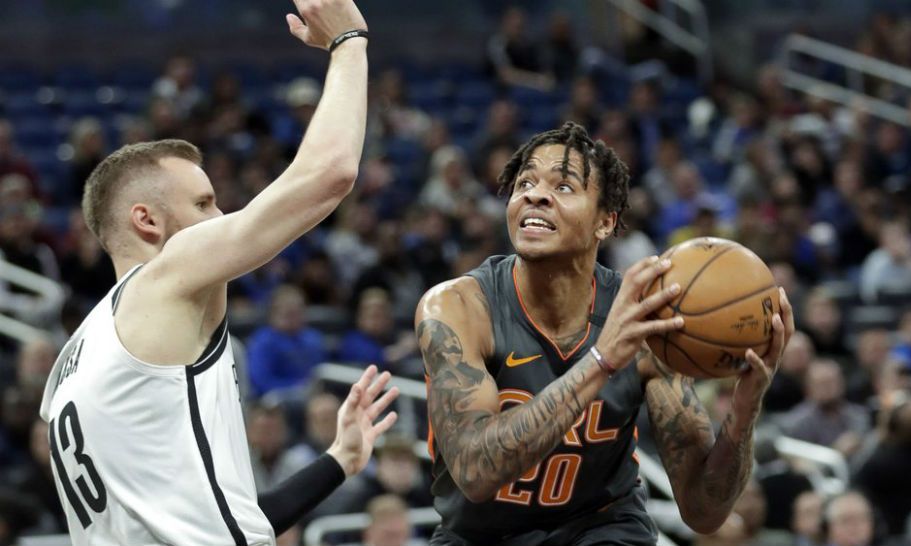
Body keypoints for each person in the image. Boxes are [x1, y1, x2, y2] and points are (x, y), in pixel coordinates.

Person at [38, 2, 400, 544]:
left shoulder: (71, 365)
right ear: (148, 220)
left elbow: (224, 522)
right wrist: (349, 41)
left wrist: (339, 460)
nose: (223, 218)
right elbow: (330, 174)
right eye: (206, 203)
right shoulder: (165, 278)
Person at [415, 122, 794, 545]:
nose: (534, 195)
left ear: (605, 222)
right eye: (525, 182)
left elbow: (703, 513)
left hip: (599, 527)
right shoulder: (457, 307)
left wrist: (745, 411)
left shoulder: (646, 317)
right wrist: (602, 360)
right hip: (479, 536)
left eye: (563, 187)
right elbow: (474, 473)